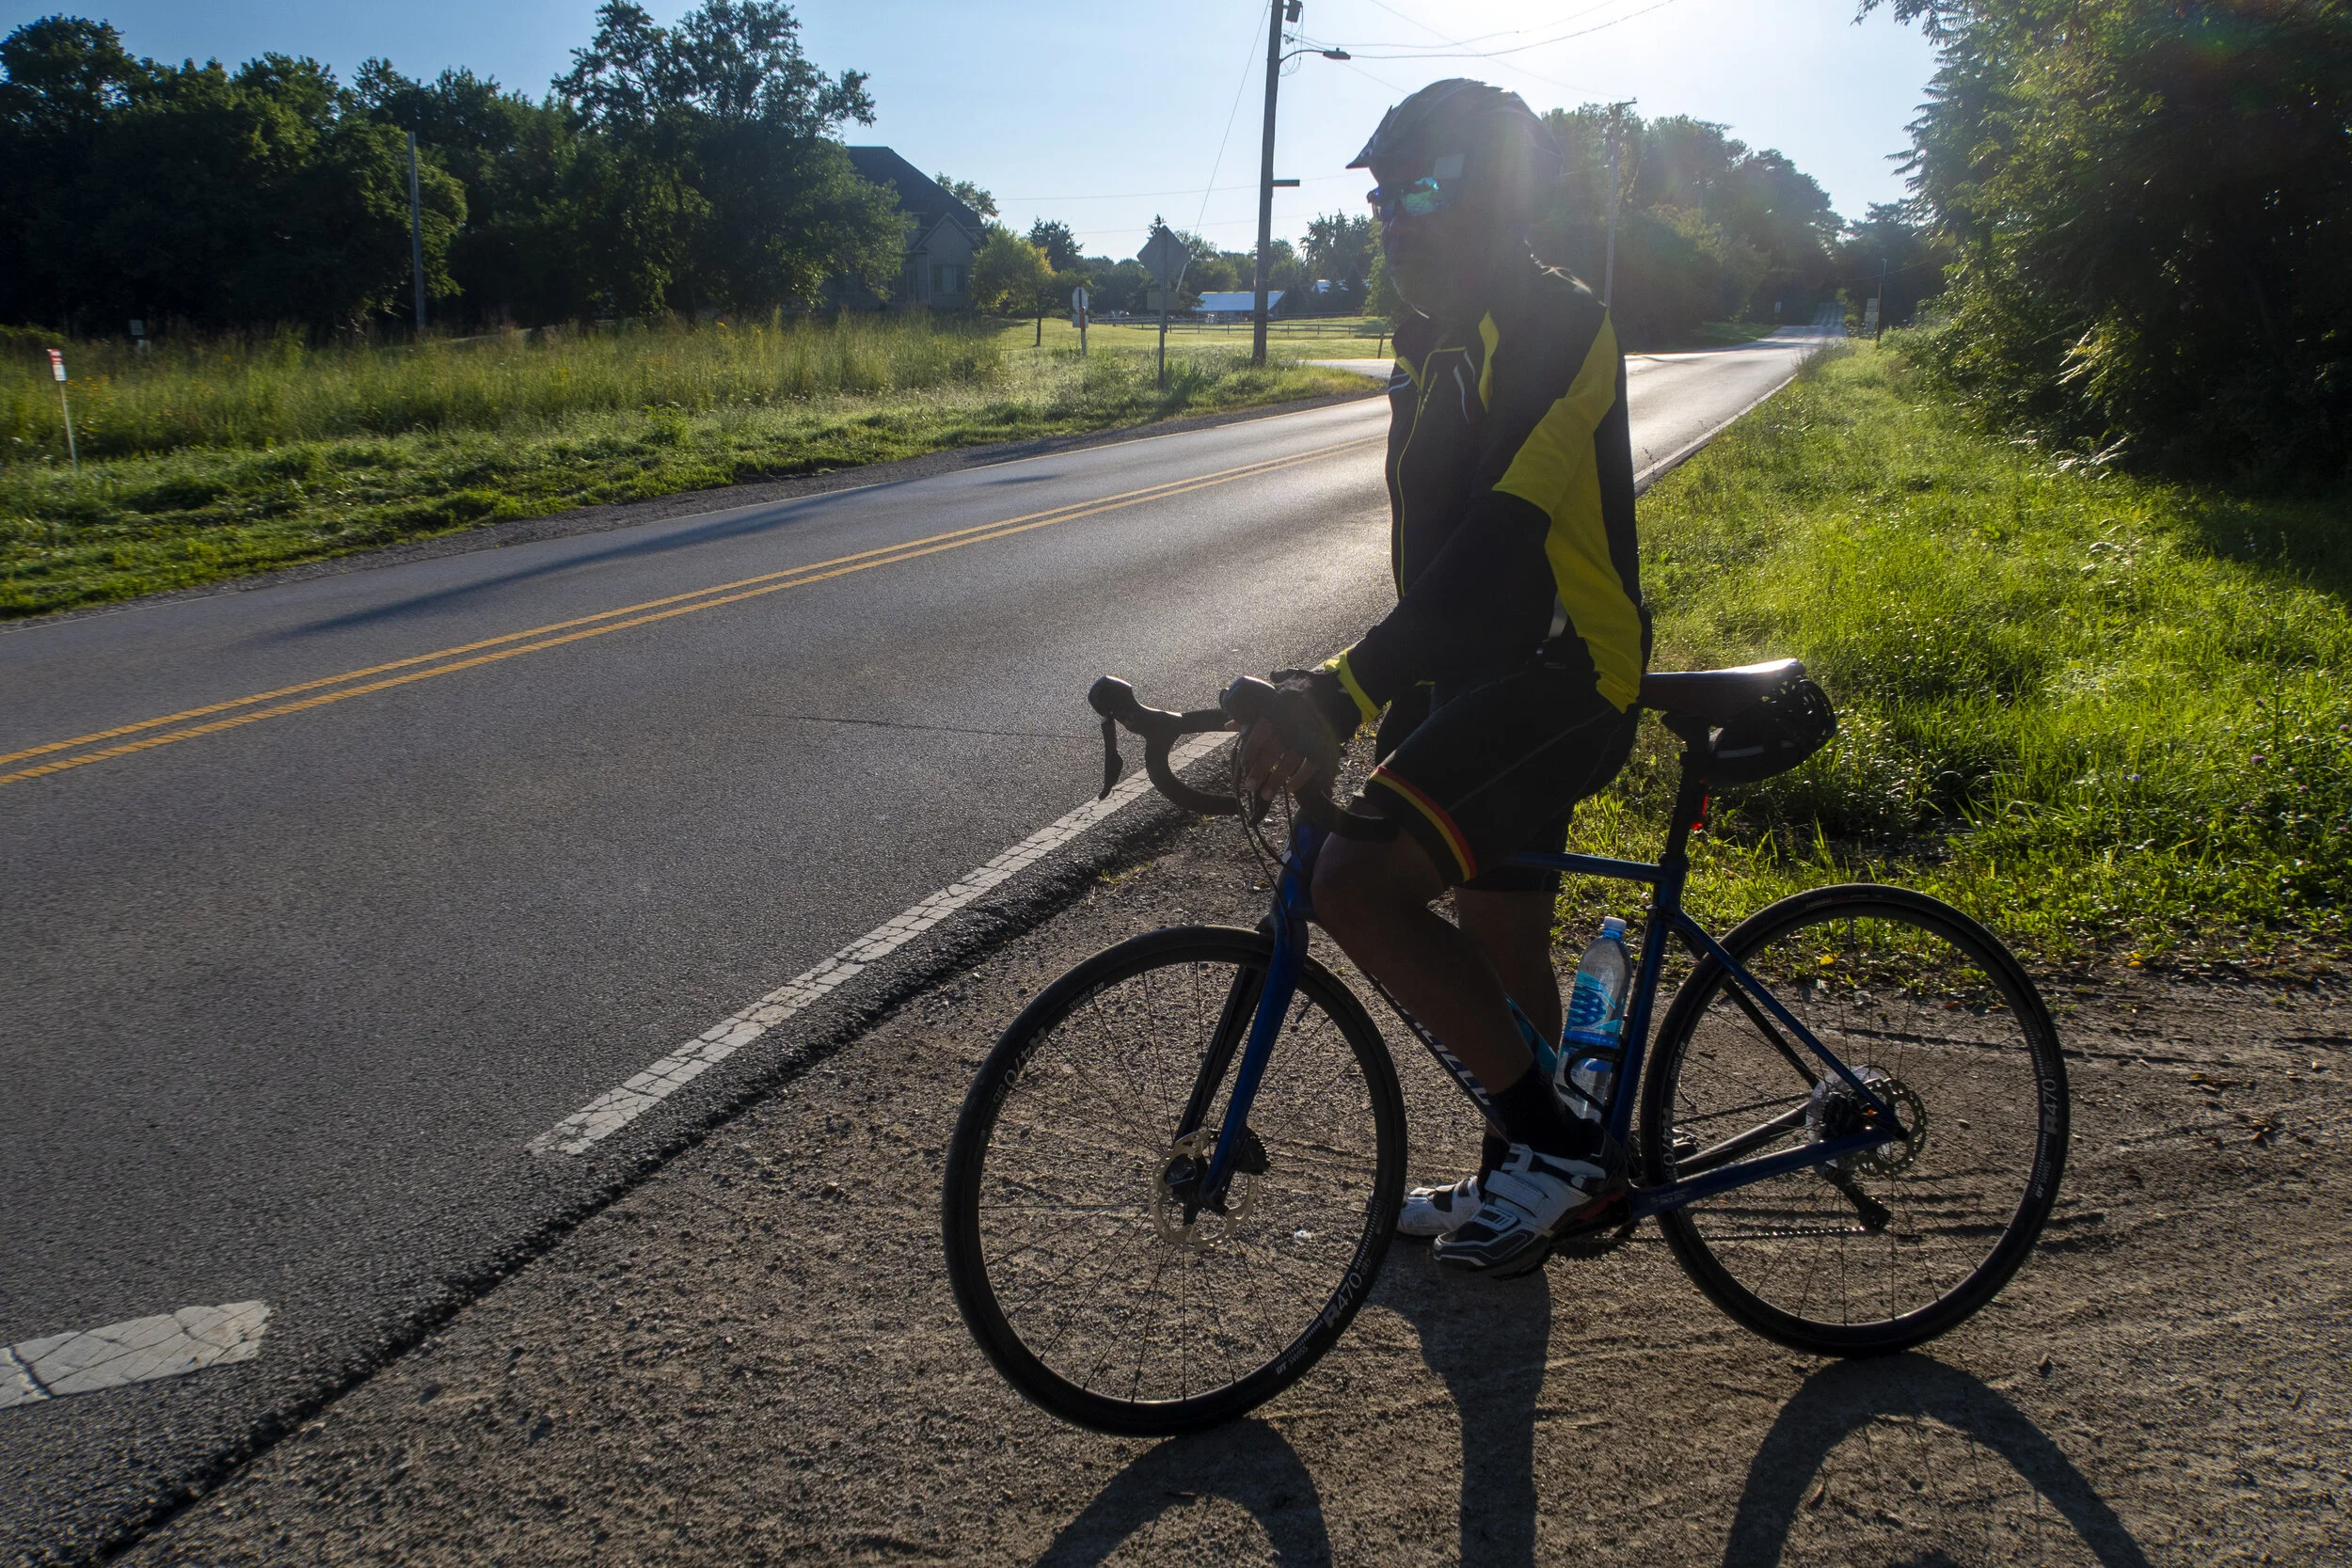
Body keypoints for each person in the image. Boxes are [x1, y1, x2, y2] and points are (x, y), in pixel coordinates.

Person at [1238, 79, 1648, 1278]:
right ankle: (1526, 1173)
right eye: (1378, 199)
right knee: (1499, 929)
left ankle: (1560, 1153)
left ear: (1492, 194)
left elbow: (1501, 541)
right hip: (1468, 680)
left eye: (1418, 190)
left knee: (1352, 884)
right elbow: (1428, 558)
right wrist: (1380, 698)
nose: (1390, 219)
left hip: (1565, 677)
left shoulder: (1562, 330)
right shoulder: (1425, 347)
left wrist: (1343, 689)